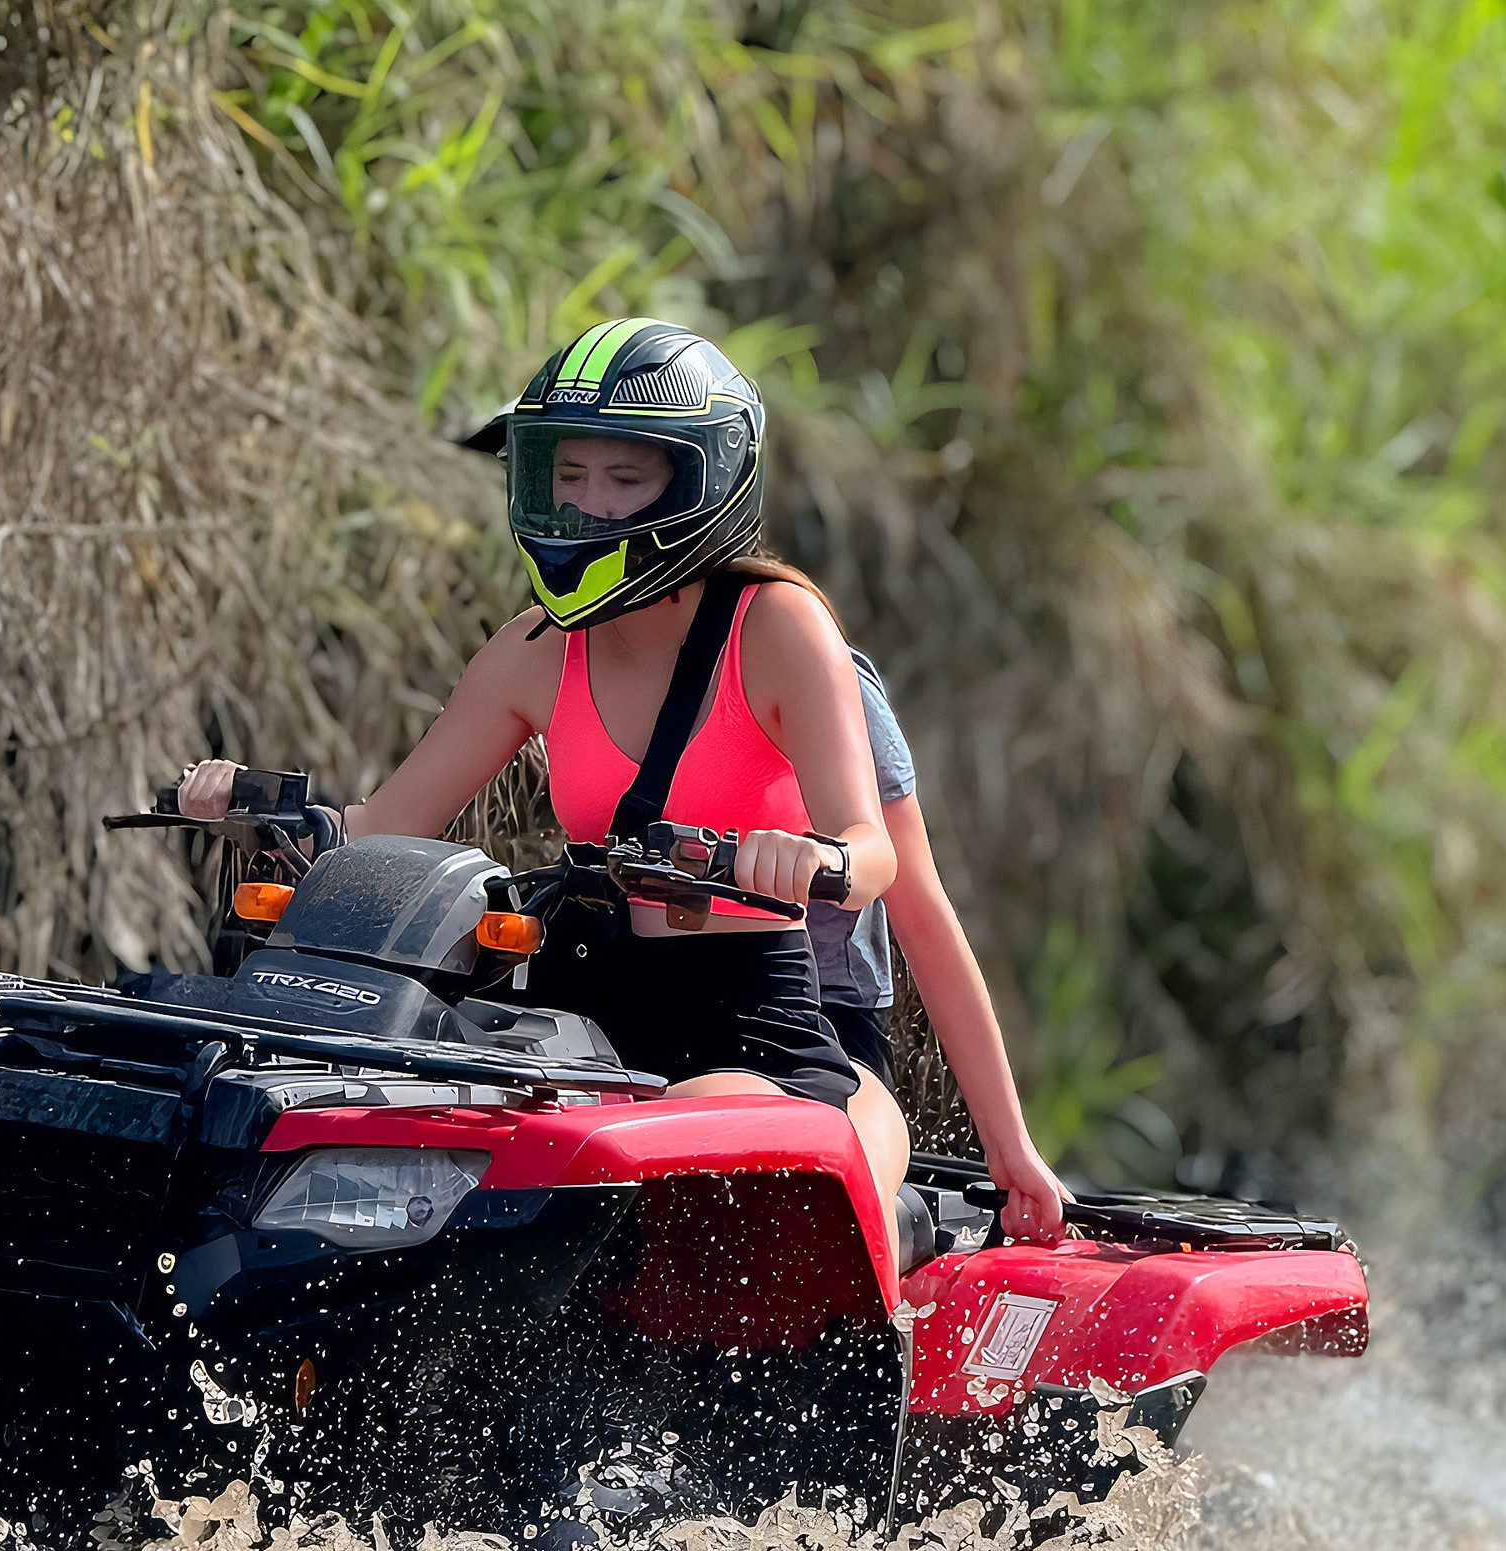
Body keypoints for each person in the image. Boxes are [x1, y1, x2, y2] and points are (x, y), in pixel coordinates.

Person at [181, 320, 1020, 1235]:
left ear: (704, 480)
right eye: (565, 477)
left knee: (674, 1187)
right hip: (573, 1008)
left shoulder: (780, 629)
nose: (588, 507)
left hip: (755, 1021)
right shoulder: (533, 648)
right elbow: (379, 826)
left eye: (626, 480)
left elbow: (879, 861)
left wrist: (806, 858)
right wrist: (264, 813)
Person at [816, 652, 1074, 1241]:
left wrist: (1009, 1148)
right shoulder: (574, 641)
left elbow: (924, 916)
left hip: (827, 1021)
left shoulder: (826, 673)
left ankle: (908, 1232)